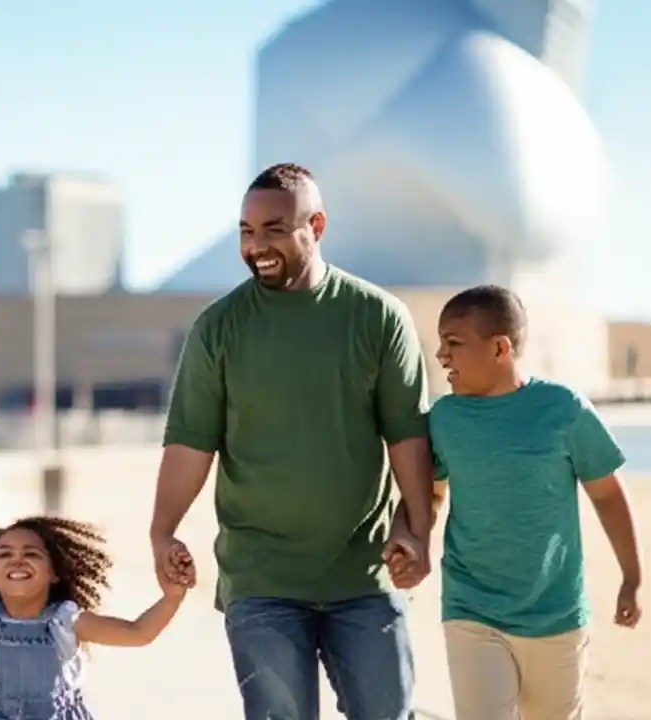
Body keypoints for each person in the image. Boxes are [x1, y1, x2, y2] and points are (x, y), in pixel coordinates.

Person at [148, 162, 436, 719]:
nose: (257, 245)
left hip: (364, 571)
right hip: (260, 576)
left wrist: (420, 531)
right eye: (246, 231)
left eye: (274, 229)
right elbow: (189, 442)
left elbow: (408, 438)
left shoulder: (378, 317)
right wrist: (162, 532)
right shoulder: (219, 327)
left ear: (317, 226)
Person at [390, 285, 643, 720]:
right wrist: (410, 538)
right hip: (472, 607)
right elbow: (428, 493)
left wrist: (632, 577)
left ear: (500, 348)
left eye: (453, 343)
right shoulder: (445, 419)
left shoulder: (563, 409)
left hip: (556, 614)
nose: (440, 355)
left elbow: (606, 495)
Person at [0, 516, 193, 719]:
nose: (17, 560)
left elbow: (139, 633)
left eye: (31, 553)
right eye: (4, 555)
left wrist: (172, 596)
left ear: (53, 573)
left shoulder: (66, 621)